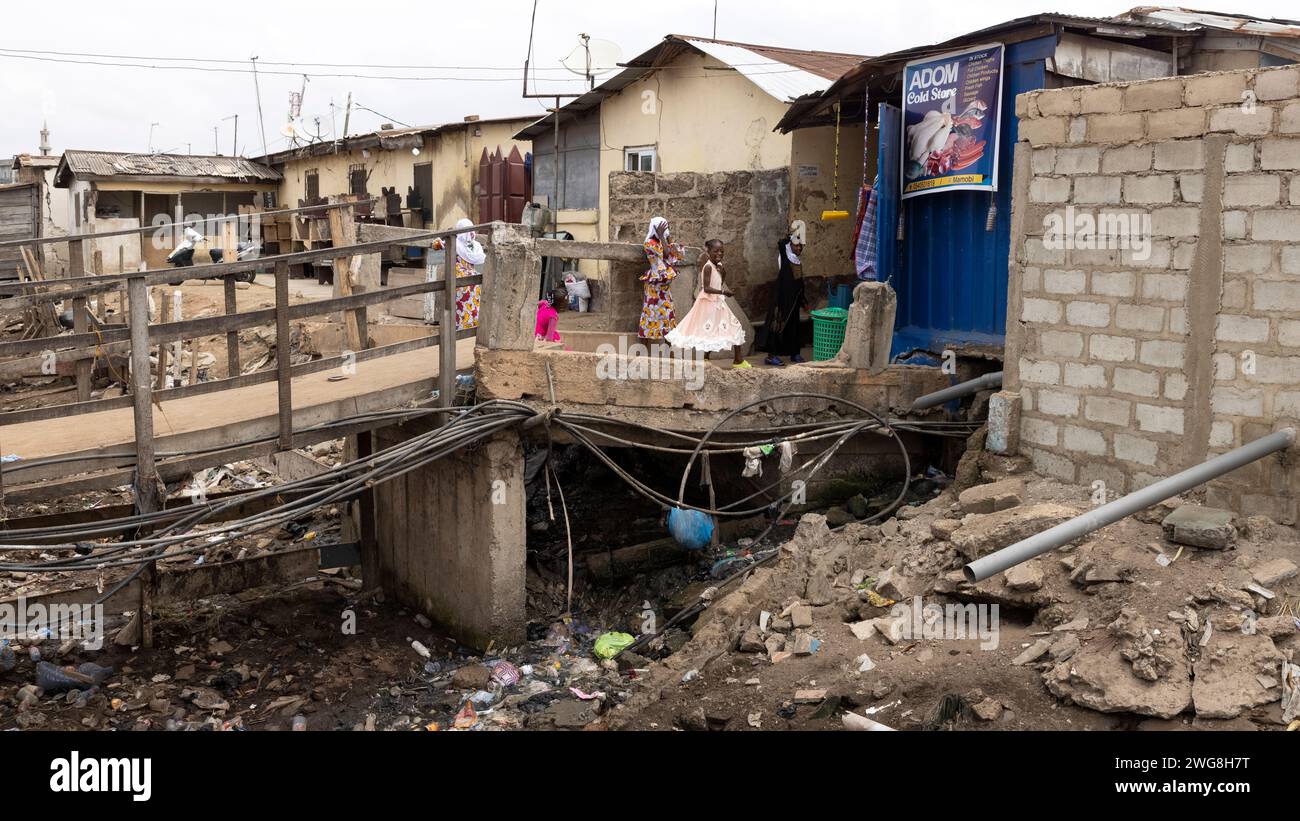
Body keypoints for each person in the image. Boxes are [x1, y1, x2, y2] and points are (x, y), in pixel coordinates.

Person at [666, 239, 749, 367]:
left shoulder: (717, 266)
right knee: (723, 328)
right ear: (708, 252)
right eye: (716, 251)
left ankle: (713, 358)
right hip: (709, 303)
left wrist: (723, 271)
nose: (719, 254)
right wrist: (723, 292)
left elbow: (719, 282)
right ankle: (737, 360)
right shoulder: (708, 267)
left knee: (718, 330)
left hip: (717, 303)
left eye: (722, 251)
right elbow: (707, 288)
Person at [761, 220, 808, 366]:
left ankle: (794, 354)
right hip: (781, 299)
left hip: (793, 301)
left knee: (794, 328)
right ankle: (771, 356)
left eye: (800, 245)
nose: (799, 248)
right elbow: (782, 242)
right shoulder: (785, 255)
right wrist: (793, 232)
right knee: (777, 327)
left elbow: (799, 284)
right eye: (796, 245)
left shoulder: (797, 262)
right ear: (790, 245)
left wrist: (804, 302)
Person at [431, 218, 486, 330]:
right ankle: (465, 324)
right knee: (466, 289)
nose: (471, 234)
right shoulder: (456, 243)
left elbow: (436, 245)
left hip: (466, 276)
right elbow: (436, 245)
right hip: (457, 275)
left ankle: (469, 323)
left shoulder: (474, 245)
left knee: (473, 287)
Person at [638, 216, 681, 345]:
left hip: (664, 287)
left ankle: (670, 354)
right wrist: (662, 236)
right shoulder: (649, 243)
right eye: (662, 228)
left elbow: (676, 256)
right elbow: (666, 254)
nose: (665, 230)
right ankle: (643, 352)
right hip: (654, 286)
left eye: (666, 228)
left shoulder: (663, 242)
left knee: (668, 315)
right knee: (649, 315)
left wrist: (667, 237)